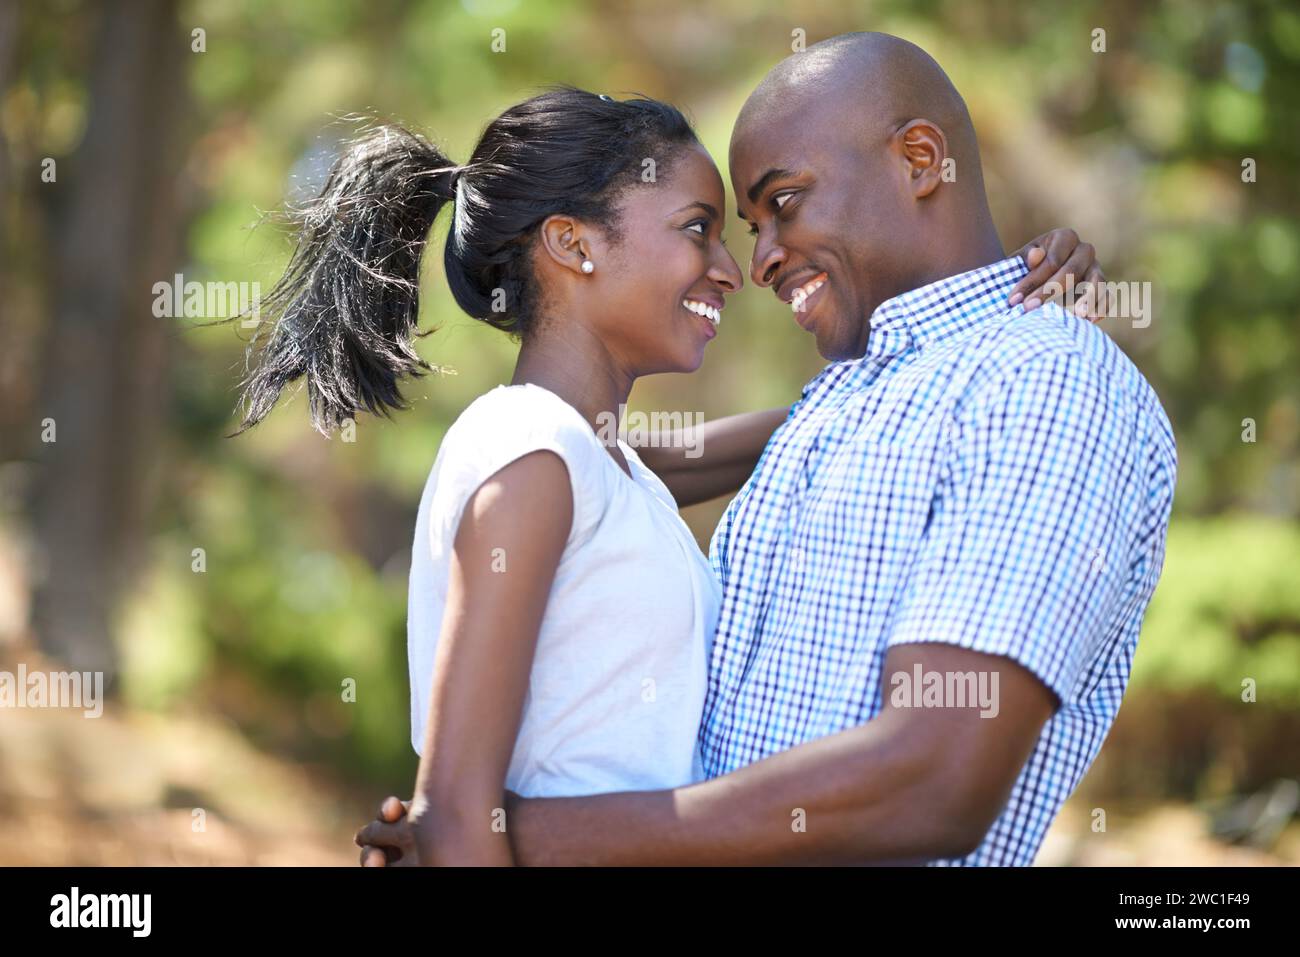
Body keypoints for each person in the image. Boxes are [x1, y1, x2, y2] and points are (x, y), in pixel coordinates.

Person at [242, 76, 1111, 866]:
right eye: (698, 229)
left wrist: (993, 312)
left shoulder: (599, 463)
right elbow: (459, 819)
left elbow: (837, 429)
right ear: (574, 244)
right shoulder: (531, 450)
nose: (735, 268)